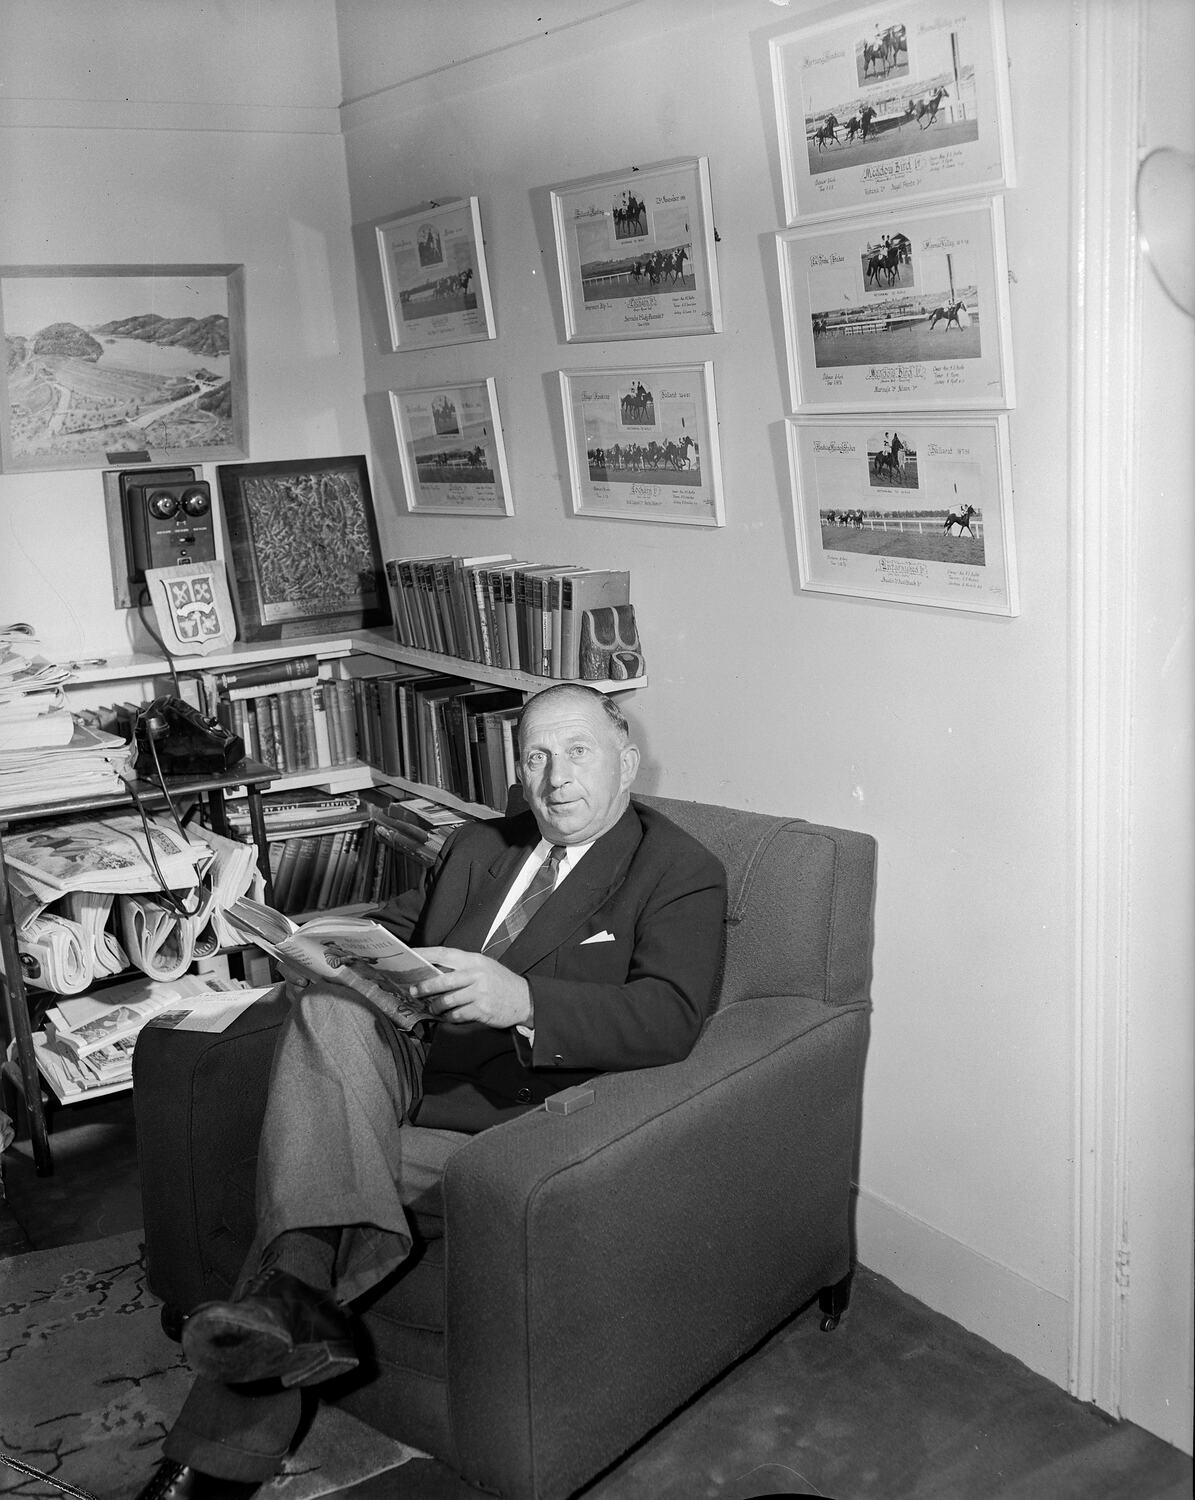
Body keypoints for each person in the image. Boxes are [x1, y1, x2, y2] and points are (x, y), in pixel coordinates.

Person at [133, 683, 728, 1500]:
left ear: (626, 760)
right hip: (405, 1062)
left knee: (307, 1170)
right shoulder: (483, 844)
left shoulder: (677, 869)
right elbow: (398, 929)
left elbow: (672, 1014)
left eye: (578, 751)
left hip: (509, 1114)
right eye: (535, 757)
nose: (555, 778)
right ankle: (293, 1295)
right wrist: (316, 947)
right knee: (334, 1015)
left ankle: (220, 1444)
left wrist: (524, 1001)